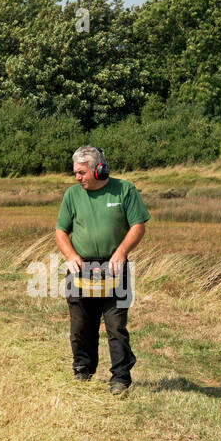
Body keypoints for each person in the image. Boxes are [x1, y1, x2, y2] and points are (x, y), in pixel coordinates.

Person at [54, 145, 150, 396]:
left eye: (81, 172)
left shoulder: (125, 190)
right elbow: (60, 231)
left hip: (115, 267)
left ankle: (120, 378)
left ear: (100, 169)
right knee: (80, 325)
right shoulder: (72, 195)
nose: (77, 177)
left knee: (116, 326)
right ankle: (82, 371)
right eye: (75, 172)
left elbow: (138, 226)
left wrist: (120, 252)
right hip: (80, 267)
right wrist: (70, 255)